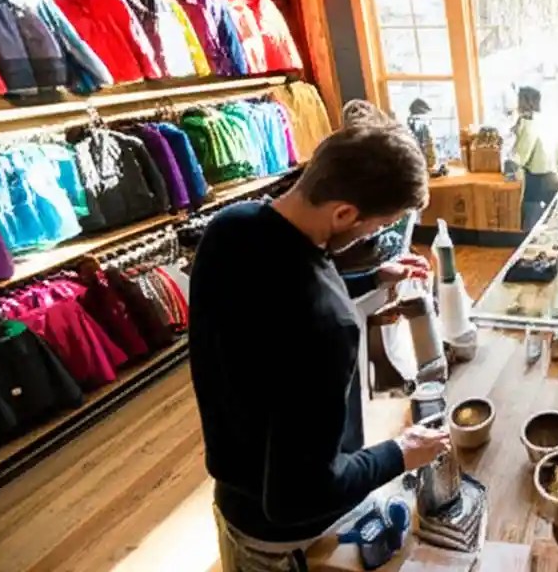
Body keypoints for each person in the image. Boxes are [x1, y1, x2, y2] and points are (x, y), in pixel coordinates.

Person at [190, 100, 451, 572]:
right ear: (345, 212)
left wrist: (372, 278)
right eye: (378, 226)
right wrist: (400, 453)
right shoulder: (327, 325)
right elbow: (297, 497)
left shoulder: (231, 227)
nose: (376, 236)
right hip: (285, 537)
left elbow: (279, 294)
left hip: (232, 494)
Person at [506, 85, 558, 231]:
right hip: (553, 178)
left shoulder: (528, 122)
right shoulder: (549, 121)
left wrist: (509, 165)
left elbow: (521, 155)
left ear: (523, 101)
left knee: (530, 229)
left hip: (536, 181)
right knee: (556, 226)